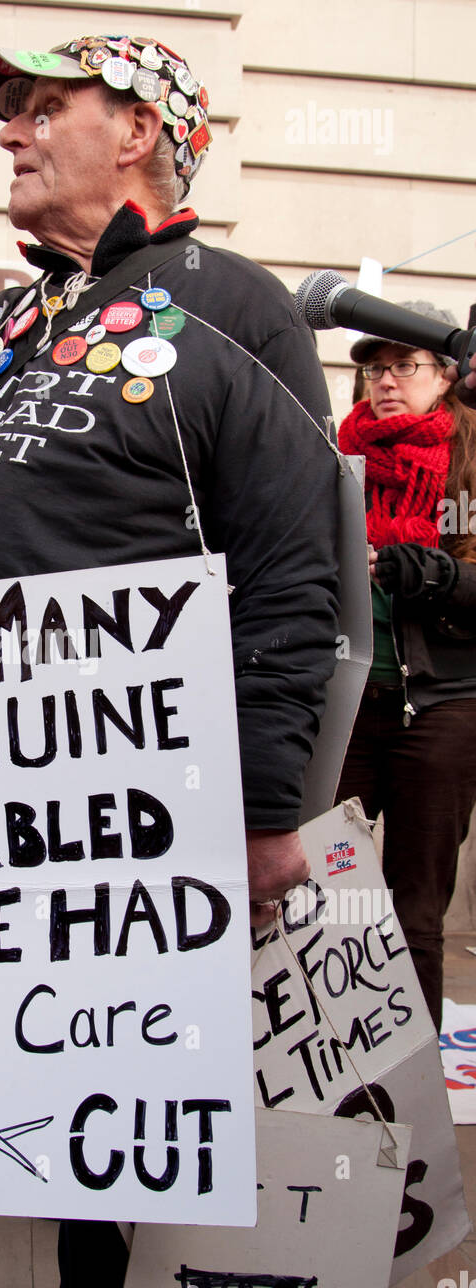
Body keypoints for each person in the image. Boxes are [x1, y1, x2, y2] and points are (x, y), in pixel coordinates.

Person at [0, 34, 341, 1288]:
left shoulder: (228, 301)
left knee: (107, 1180)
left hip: (130, 816)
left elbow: (292, 561)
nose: (9, 130)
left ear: (140, 133)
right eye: (6, 112)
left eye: (43, 107)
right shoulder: (5, 321)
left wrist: (268, 806)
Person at [336, 309, 476, 1032]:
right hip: (349, 702)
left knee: (414, 905)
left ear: (446, 375)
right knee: (326, 892)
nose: (386, 381)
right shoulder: (339, 456)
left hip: (443, 705)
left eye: (406, 365)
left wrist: (427, 573)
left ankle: (410, 1085)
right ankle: (326, 1066)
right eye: (374, 367)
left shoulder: (468, 464)